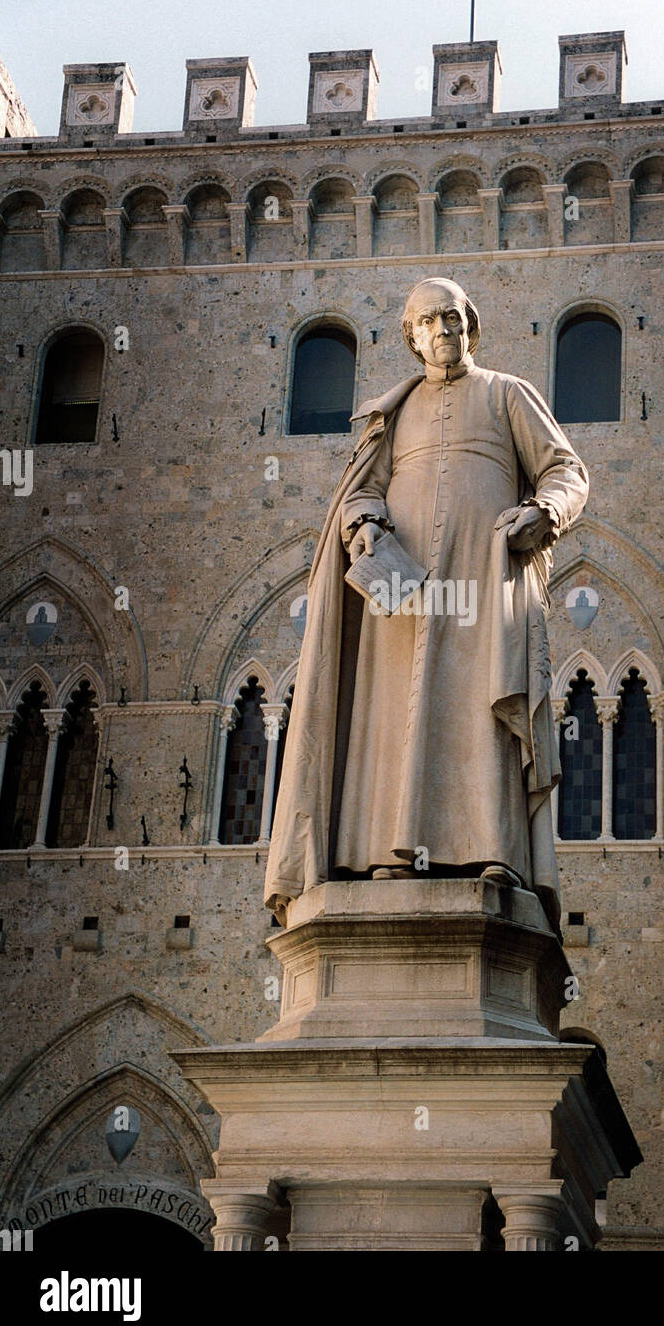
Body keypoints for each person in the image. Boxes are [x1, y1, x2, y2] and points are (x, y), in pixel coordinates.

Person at [265, 277, 589, 931]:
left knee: (483, 706)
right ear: (412, 339)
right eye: (428, 323)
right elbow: (362, 490)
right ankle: (389, 852)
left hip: (481, 575)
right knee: (394, 714)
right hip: (402, 590)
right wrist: (363, 527)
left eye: (452, 319)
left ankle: (495, 852)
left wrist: (544, 511)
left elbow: (567, 471)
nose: (443, 331)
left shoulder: (507, 394)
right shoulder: (395, 411)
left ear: (470, 325)